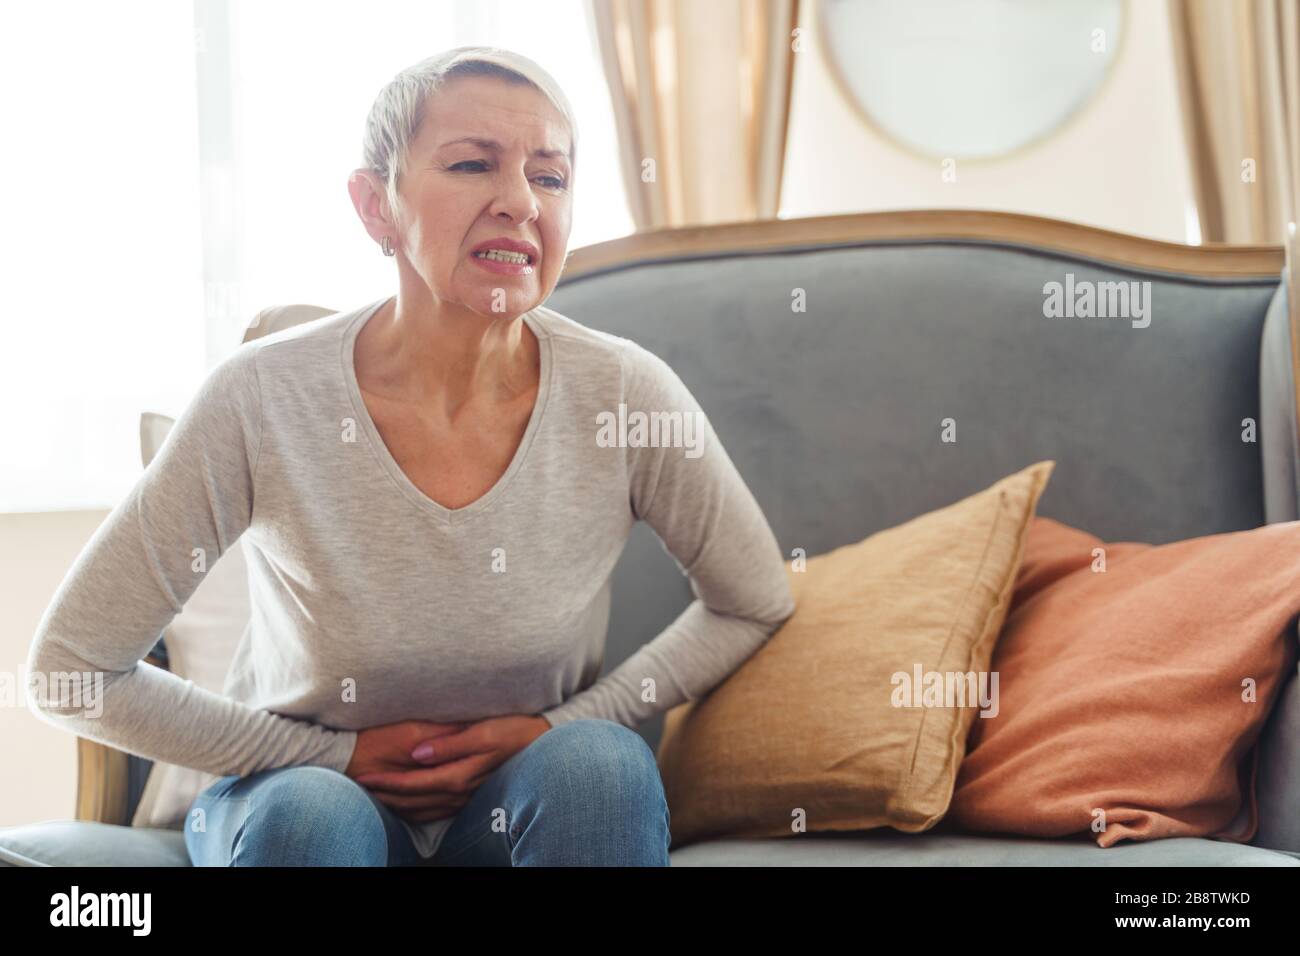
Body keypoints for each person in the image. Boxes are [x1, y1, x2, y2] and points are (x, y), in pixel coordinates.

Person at [25, 45, 795, 866]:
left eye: (551, 177)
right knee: (318, 819)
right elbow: (70, 668)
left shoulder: (626, 394)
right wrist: (332, 757)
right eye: (472, 164)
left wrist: (563, 727)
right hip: (293, 796)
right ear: (374, 205)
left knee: (602, 769)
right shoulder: (261, 397)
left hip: (514, 804)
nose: (519, 203)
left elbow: (753, 599)